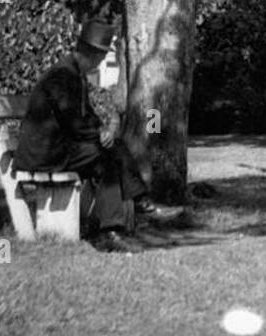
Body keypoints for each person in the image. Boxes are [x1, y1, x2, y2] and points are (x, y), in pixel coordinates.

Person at [14, 18, 159, 247]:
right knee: (107, 155)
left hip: (59, 149)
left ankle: (119, 222)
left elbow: (87, 116)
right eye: (101, 57)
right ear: (91, 53)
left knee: (112, 150)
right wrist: (99, 136)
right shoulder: (63, 76)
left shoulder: (74, 74)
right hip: (45, 154)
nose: (101, 62)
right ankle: (121, 219)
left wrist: (102, 132)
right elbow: (74, 123)